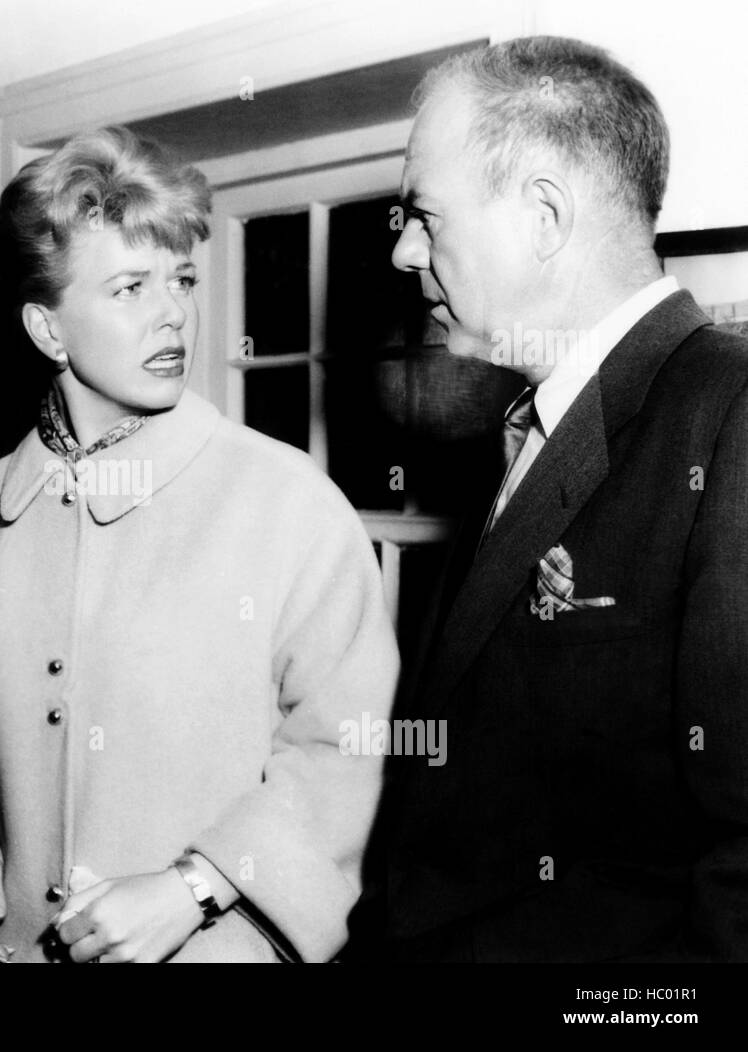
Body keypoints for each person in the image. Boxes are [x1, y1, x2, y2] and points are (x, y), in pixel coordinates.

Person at [0, 126, 397, 963]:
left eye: (180, 278)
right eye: (130, 287)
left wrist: (196, 884)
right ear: (46, 329)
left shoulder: (289, 504)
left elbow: (343, 747)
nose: (173, 310)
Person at [352, 36, 748, 961]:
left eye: (424, 214)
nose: (407, 251)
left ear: (543, 215)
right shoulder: (534, 421)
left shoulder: (729, 414)